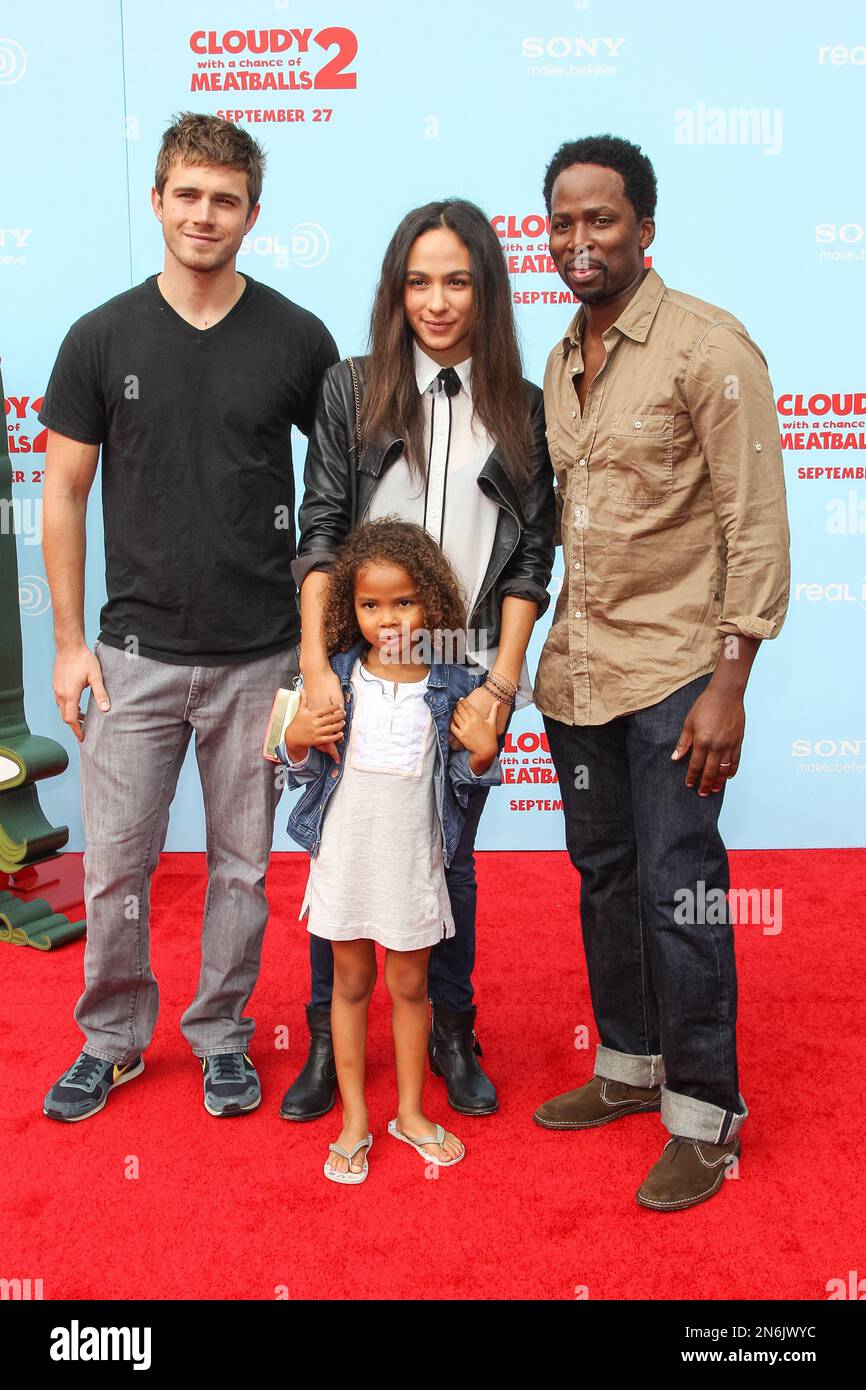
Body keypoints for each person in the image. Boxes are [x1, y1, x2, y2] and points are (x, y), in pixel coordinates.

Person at [40, 112, 338, 1122]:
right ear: (157, 200)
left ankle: (220, 1035)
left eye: (225, 199)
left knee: (243, 870)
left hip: (261, 662)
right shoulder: (101, 336)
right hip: (132, 659)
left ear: (254, 213)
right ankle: (113, 1041)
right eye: (187, 194)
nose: (203, 214)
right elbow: (63, 494)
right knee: (118, 865)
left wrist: (316, 653)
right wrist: (71, 644)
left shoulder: (298, 339)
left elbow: (336, 494)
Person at [531, 134, 790, 1211]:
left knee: (681, 892)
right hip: (581, 676)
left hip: (681, 673)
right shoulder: (560, 355)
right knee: (606, 879)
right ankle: (629, 1065)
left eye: (600, 219)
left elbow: (754, 522)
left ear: (643, 226)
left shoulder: (704, 346)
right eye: (560, 221)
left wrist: (729, 681)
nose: (577, 240)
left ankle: (704, 1114)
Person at [281, 199, 555, 1121]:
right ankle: (327, 1035)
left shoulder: (522, 406)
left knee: (450, 861)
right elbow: (320, 532)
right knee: (340, 852)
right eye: (419, 281)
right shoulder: (352, 390)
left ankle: (450, 1029)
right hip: (356, 668)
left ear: (487, 290)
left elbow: (528, 558)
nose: (437, 302)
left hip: (465, 668)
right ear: (397, 292)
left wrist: (501, 690)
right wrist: (320, 669)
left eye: (458, 281)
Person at [276, 519, 501, 1182]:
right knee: (349, 985)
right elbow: (293, 762)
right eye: (370, 605)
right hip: (345, 860)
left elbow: (467, 777)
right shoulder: (332, 677)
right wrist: (296, 734)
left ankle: (410, 1113)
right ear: (352, 608)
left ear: (431, 601)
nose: (387, 618)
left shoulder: (458, 682)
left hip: (412, 862)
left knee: (409, 987)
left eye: (403, 602)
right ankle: (353, 1121)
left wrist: (483, 752)